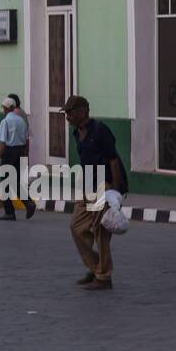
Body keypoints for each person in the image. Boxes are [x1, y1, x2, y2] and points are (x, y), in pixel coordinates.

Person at [64, 95, 126, 290]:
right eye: (66, 113)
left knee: (101, 233)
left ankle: (104, 277)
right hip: (88, 185)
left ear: (83, 111)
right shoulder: (77, 133)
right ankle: (96, 266)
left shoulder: (100, 130)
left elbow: (113, 160)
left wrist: (115, 191)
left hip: (104, 186)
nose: (67, 116)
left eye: (70, 112)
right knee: (77, 226)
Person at [0, 94, 36, 221]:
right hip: (20, 151)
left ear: (6, 109)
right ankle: (28, 202)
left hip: (9, 152)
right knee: (15, 181)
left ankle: (9, 212)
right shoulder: (21, 121)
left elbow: (2, 142)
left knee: (4, 183)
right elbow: (26, 138)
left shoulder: (5, 121)